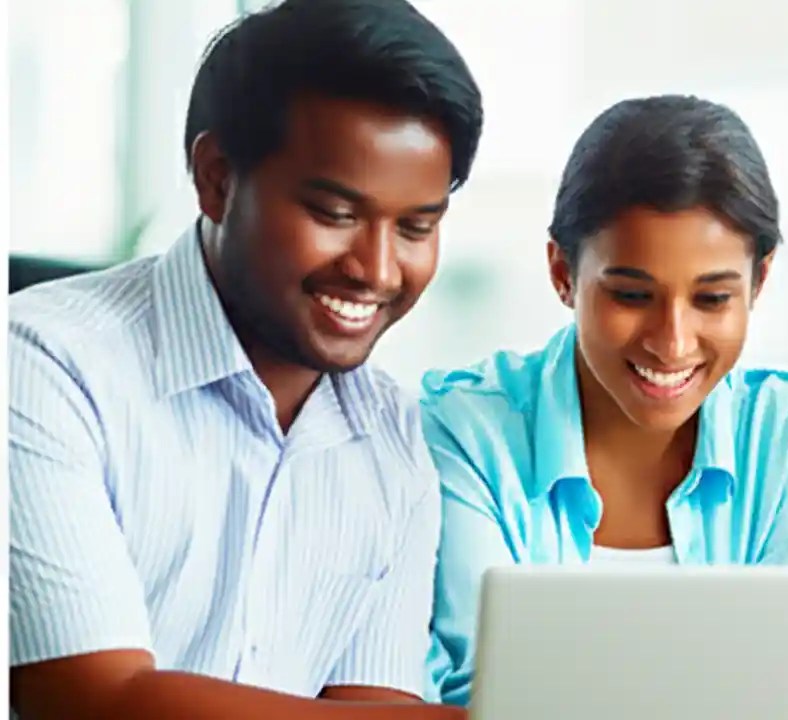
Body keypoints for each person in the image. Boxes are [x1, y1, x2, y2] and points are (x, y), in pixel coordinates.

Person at [8, 1, 482, 718]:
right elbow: (90, 700)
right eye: (336, 215)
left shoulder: (391, 437)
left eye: (416, 226)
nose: (377, 269)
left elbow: (372, 706)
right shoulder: (44, 364)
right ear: (217, 179)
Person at [421, 94, 788, 706]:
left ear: (761, 279)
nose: (672, 342)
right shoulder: (467, 431)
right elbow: (477, 695)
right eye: (631, 295)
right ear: (562, 272)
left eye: (712, 300)